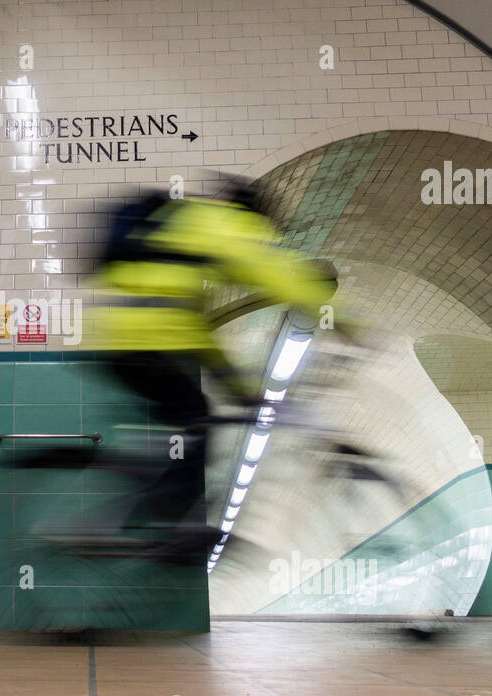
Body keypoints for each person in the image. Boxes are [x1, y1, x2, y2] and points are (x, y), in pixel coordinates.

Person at [89, 177, 338, 560]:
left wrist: (234, 384)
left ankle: (146, 496)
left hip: (118, 341)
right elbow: (280, 275)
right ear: (255, 212)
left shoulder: (189, 232)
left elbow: (195, 330)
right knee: (197, 416)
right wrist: (352, 324)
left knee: (189, 420)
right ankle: (170, 522)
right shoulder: (231, 225)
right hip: (146, 341)